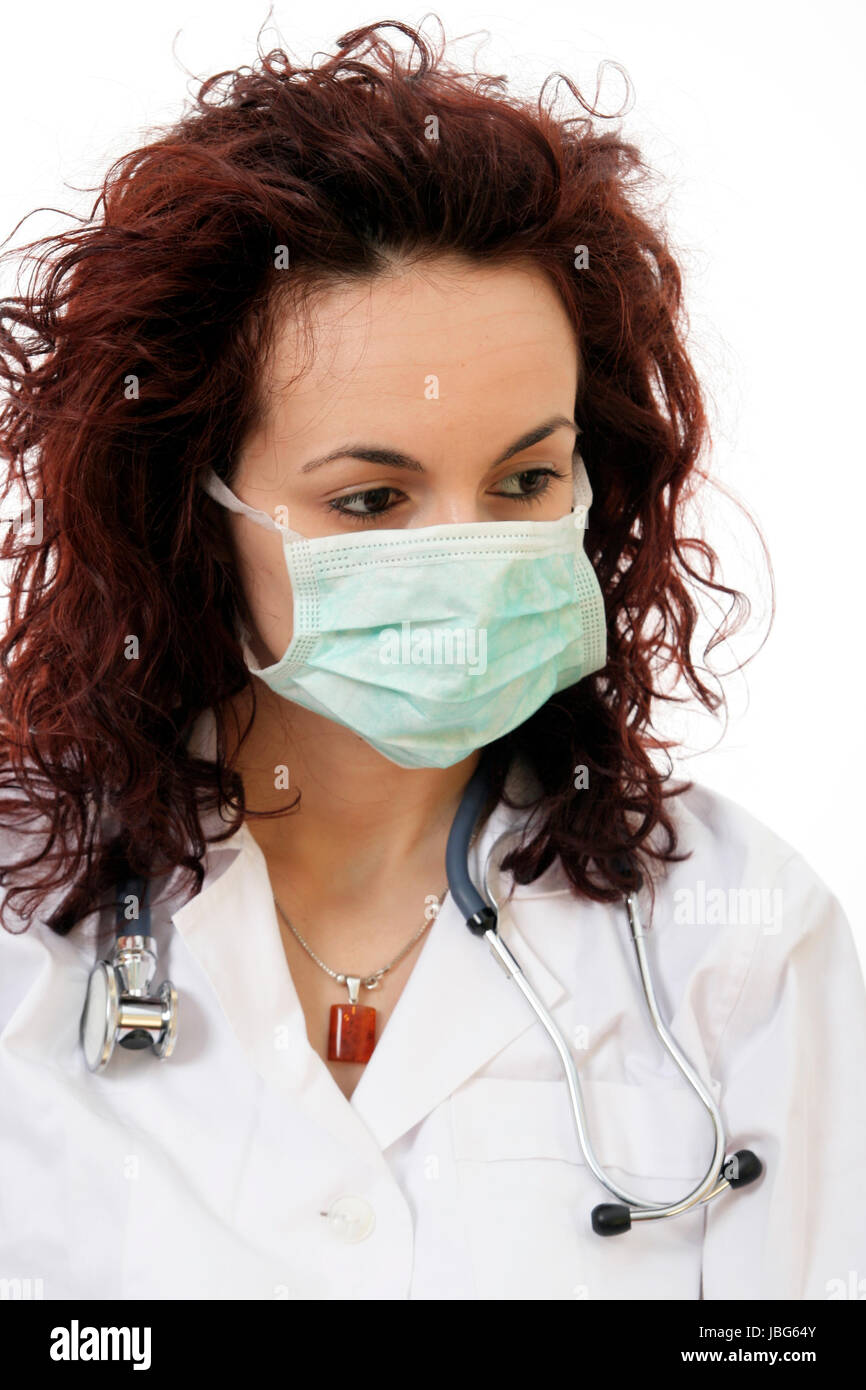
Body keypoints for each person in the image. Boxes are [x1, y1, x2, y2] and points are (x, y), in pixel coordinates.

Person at [0, 18, 863, 1301]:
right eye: (370, 502)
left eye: (525, 478)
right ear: (197, 506)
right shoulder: (23, 908)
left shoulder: (733, 939)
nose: (466, 558)